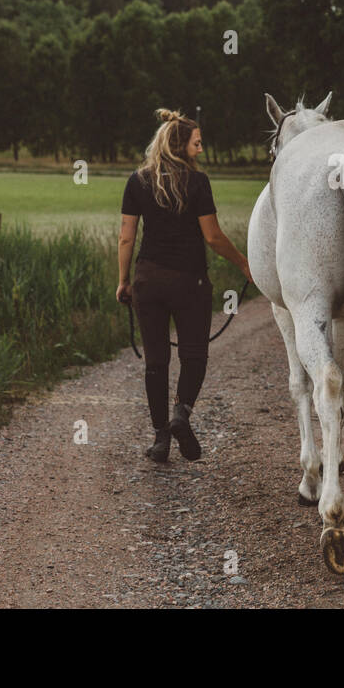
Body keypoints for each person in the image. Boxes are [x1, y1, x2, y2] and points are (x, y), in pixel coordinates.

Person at [116, 108, 251, 462]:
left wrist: (124, 281)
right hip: (190, 282)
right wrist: (244, 263)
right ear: (180, 145)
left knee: (156, 361)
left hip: (148, 281)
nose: (201, 149)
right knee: (194, 355)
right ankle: (182, 413)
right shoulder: (198, 183)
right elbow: (213, 237)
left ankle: (160, 439)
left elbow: (126, 238)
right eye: (197, 143)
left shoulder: (137, 181)